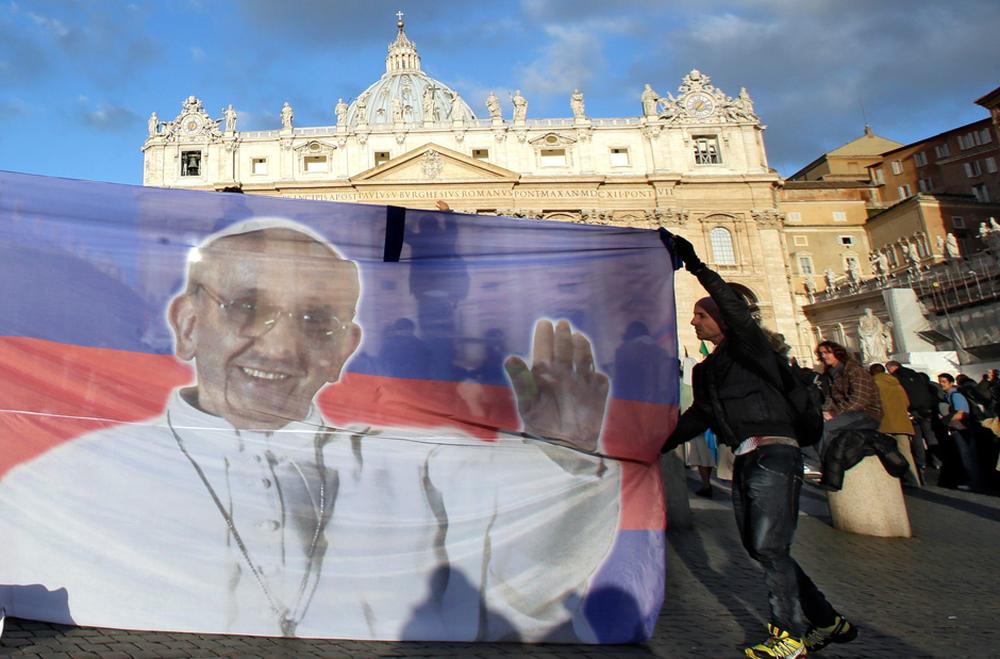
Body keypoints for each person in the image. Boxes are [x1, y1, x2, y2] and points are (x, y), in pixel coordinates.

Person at [0, 218, 619, 641]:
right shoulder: (58, 482)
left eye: (316, 321)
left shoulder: (422, 467)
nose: (280, 345)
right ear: (188, 325)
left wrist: (562, 458)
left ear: (344, 350)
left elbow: (529, 581)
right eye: (246, 307)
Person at [659, 230, 856, 658]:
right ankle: (825, 619)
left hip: (775, 453)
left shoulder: (752, 351)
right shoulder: (706, 371)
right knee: (760, 546)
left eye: (700, 316)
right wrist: (651, 447)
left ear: (722, 321)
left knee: (767, 546)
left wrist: (695, 265)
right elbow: (699, 417)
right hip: (747, 457)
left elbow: (735, 307)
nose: (694, 321)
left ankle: (787, 636)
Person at [886, 360, 940, 475]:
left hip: (912, 410)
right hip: (926, 409)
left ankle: (921, 462)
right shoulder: (916, 375)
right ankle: (937, 461)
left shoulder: (896, 378)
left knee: (917, 438)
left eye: (888, 369)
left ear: (892, 368)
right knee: (930, 436)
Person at [869, 363, 919, 485]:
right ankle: (914, 480)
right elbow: (906, 402)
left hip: (884, 423)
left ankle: (895, 481)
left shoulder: (874, 384)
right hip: (902, 421)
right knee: (906, 452)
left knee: (888, 452)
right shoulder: (897, 384)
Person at [939, 373, 985, 492]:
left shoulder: (956, 395)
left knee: (968, 456)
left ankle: (975, 482)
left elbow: (961, 413)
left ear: (950, 382)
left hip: (963, 429)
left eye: (944, 382)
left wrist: (944, 420)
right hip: (961, 428)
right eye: (940, 381)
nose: (941, 384)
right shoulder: (949, 395)